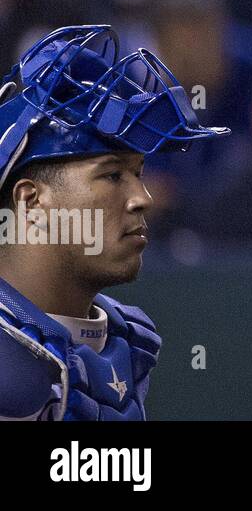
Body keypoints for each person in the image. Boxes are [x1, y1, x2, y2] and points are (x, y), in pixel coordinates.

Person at [0, 25, 228, 420]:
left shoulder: (126, 339)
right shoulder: (10, 367)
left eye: (138, 173)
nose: (143, 198)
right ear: (31, 201)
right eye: (111, 175)